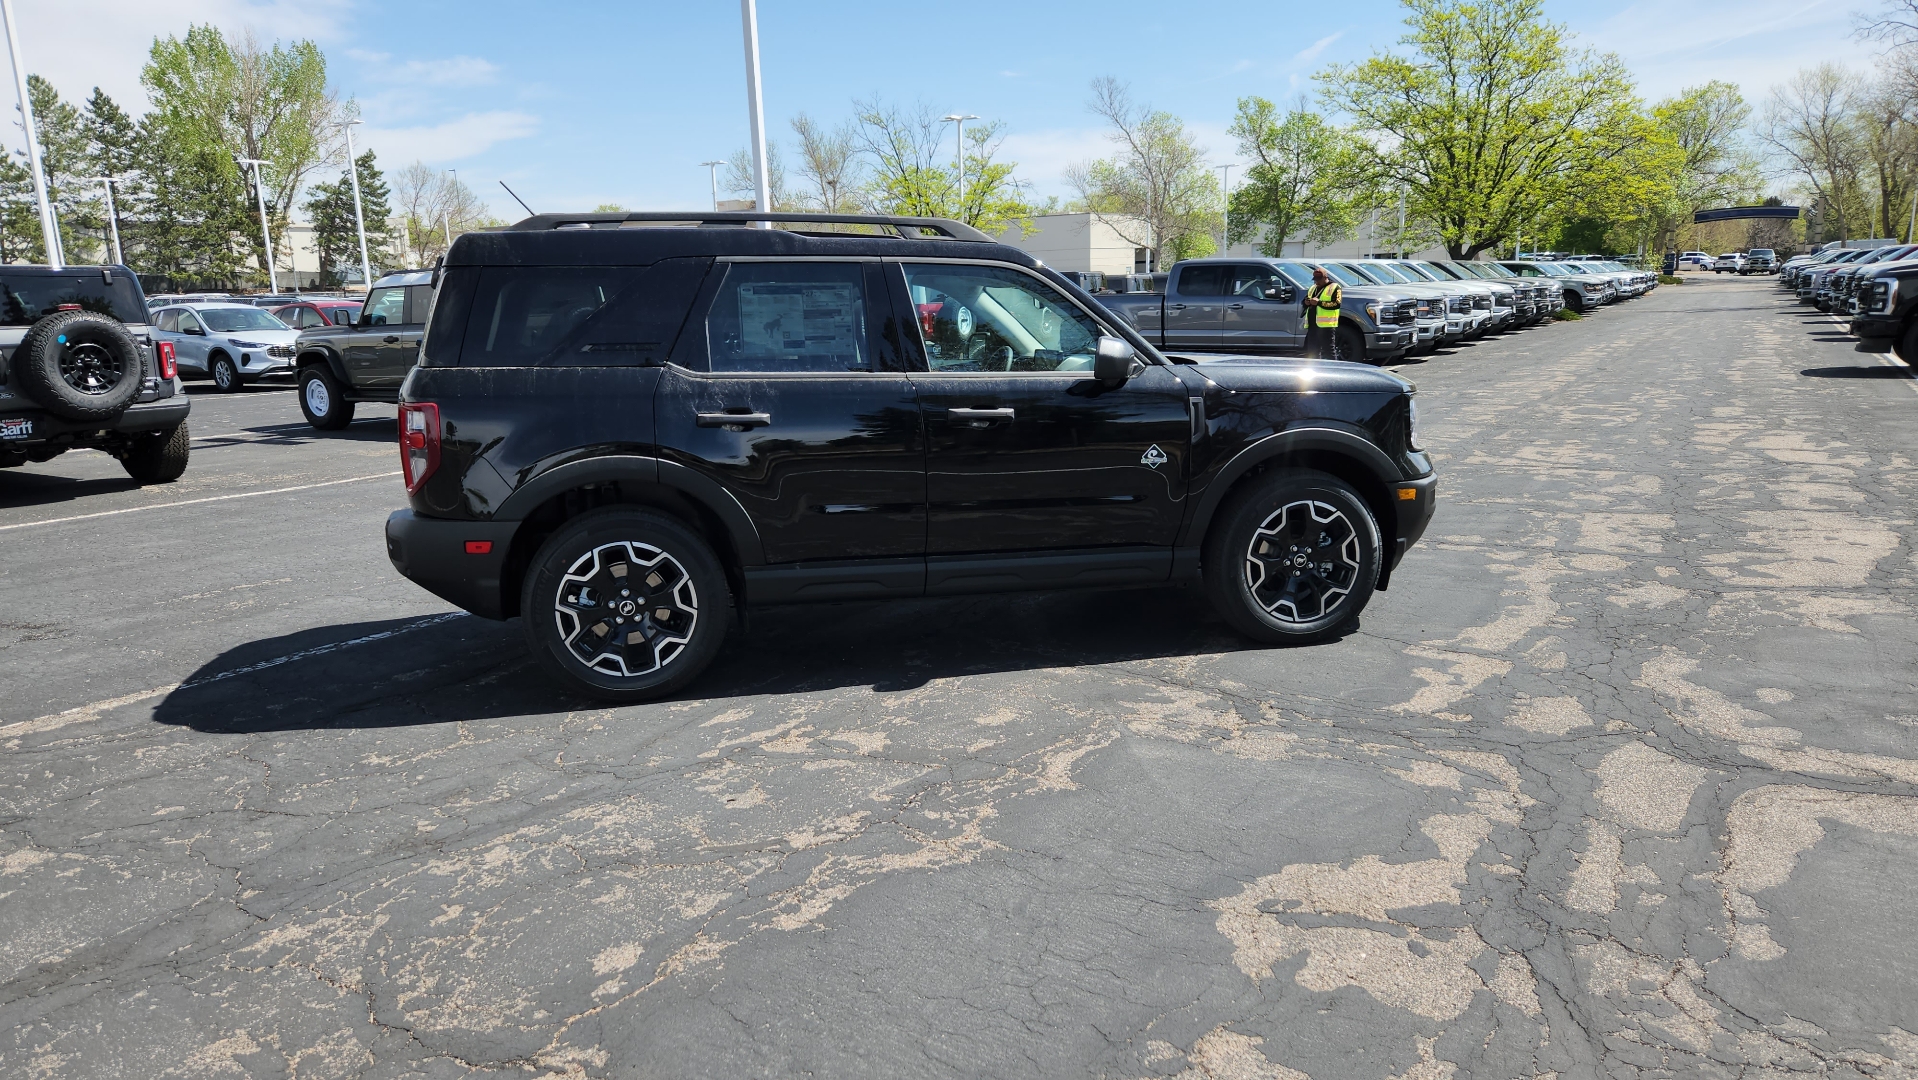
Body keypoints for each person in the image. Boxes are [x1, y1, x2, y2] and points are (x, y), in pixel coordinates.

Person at [1302, 267, 1343, 359]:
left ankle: (1334, 371)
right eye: (1315, 280)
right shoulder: (1313, 288)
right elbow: (1304, 301)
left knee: (1329, 351)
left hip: (1326, 326)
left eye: (1319, 280)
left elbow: (1337, 304)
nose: (1317, 282)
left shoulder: (1335, 287)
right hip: (1312, 325)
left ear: (1325, 277)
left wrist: (1319, 303)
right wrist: (1306, 302)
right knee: (1312, 352)